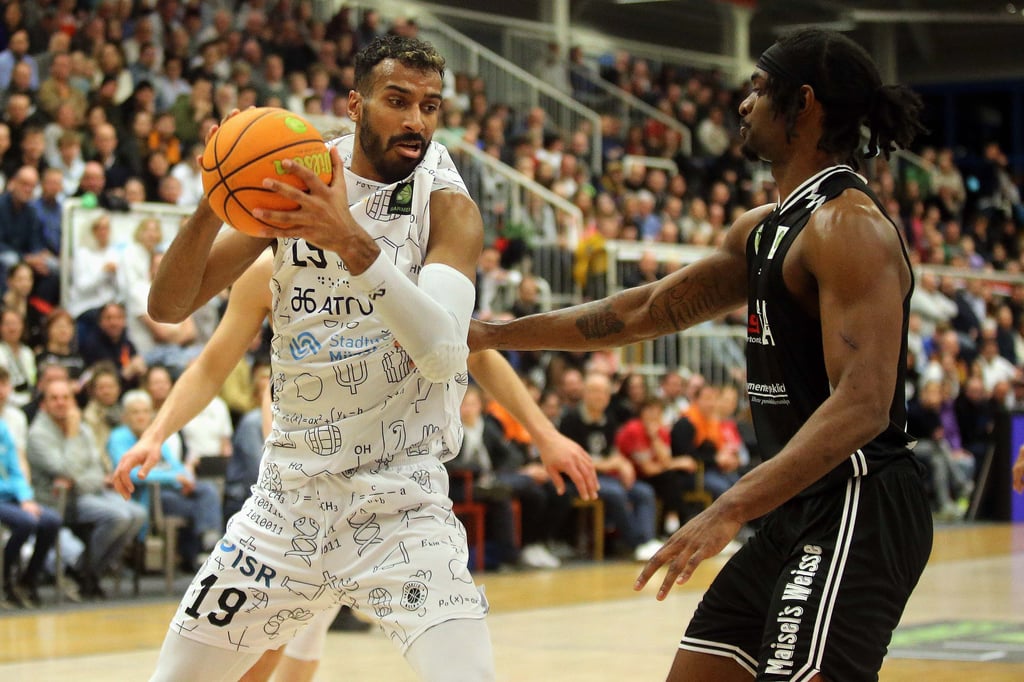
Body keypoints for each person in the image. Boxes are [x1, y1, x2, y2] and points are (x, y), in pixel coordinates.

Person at [113, 35, 597, 682]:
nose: (416, 120)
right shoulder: (295, 181)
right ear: (355, 104)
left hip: (401, 503)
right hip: (288, 499)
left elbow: (449, 352)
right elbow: (170, 308)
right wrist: (213, 198)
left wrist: (348, 239)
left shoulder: (447, 206)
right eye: (398, 101)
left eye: (430, 105)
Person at [470, 28, 932, 680]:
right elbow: (637, 313)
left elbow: (862, 405)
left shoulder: (848, 227)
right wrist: (493, 333)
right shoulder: (764, 228)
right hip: (793, 504)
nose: (744, 105)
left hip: (857, 502)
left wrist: (730, 506)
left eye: (760, 90)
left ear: (805, 105)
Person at [27, 377, 147, 599]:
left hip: (88, 493)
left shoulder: (83, 428)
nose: (61, 403)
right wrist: (72, 438)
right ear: (44, 404)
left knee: (137, 513)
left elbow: (97, 469)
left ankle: (86, 571)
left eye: (66, 397)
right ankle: (84, 571)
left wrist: (80, 479)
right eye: (54, 398)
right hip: (58, 501)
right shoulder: (38, 434)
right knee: (118, 516)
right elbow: (67, 469)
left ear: (73, 401)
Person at [0, 418, 61, 607]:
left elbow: (15, 470)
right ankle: (5, 577)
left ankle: (28, 579)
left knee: (51, 520)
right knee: (26, 522)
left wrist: (25, 497)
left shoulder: (2, 428)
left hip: (12, 496)